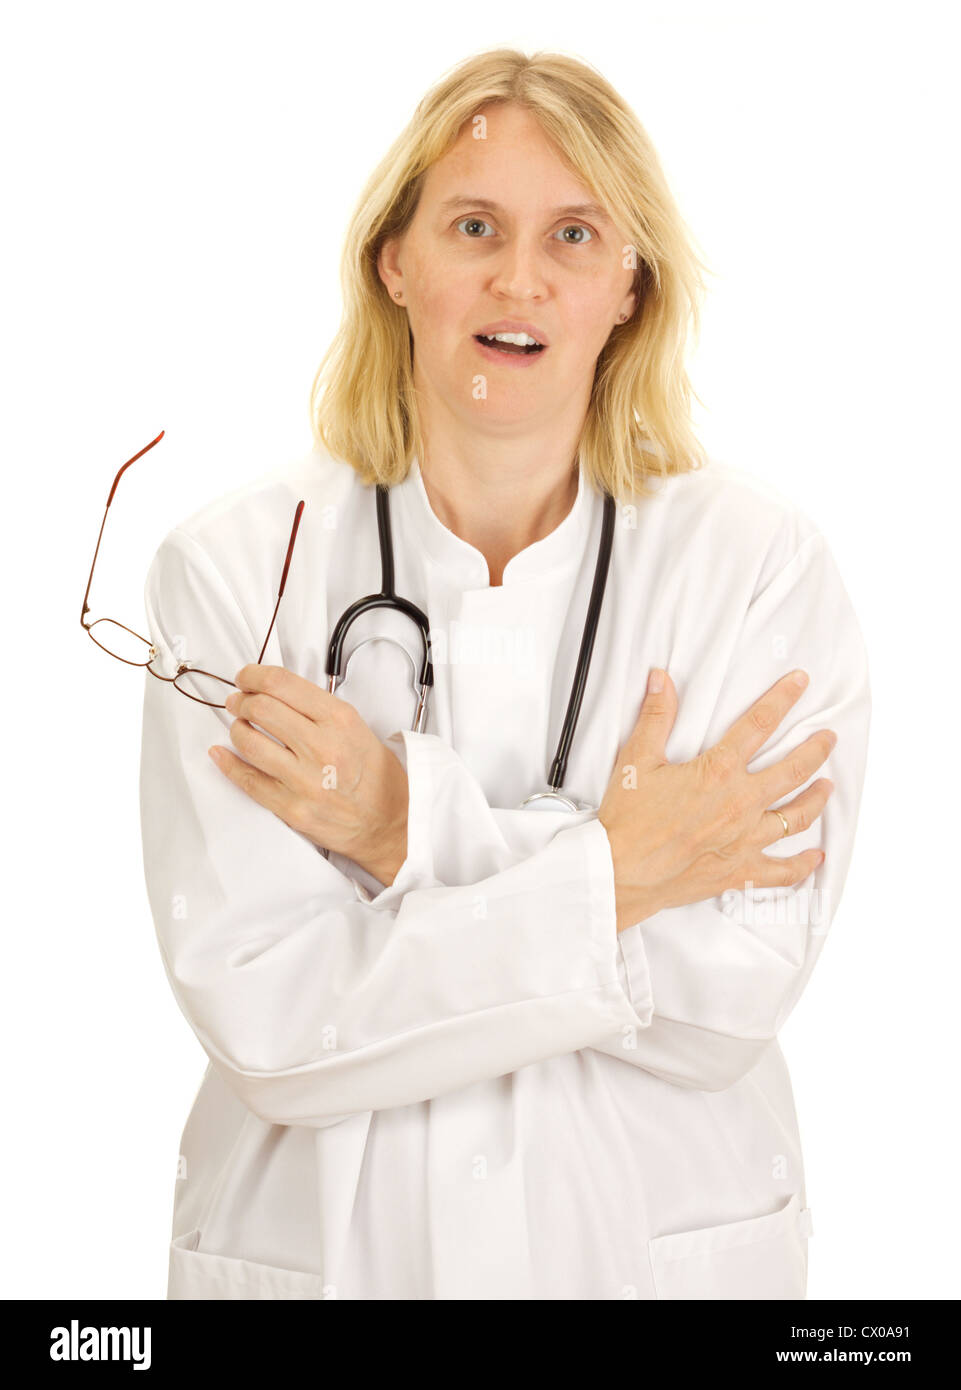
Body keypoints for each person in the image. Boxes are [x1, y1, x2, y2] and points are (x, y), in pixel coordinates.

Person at [139, 48, 871, 1300]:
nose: (517, 277)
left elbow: (729, 999)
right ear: (396, 260)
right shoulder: (238, 569)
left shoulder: (757, 568)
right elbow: (269, 1025)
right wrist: (625, 870)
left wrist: (393, 825)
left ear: (630, 283)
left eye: (574, 234)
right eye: (472, 224)